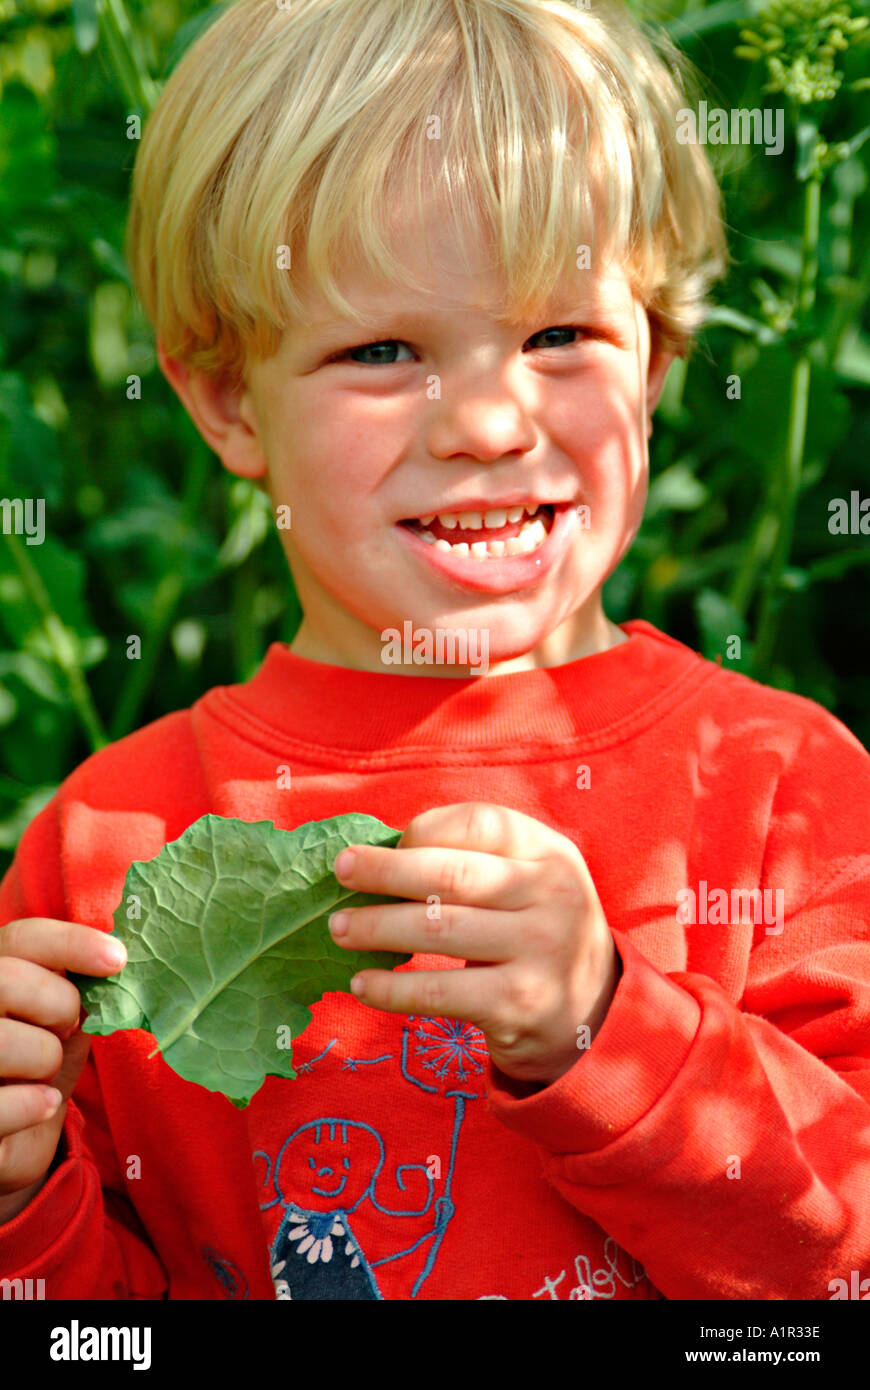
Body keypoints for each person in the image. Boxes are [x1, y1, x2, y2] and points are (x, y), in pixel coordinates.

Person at [0, 0, 868, 1301]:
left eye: (558, 335)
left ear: (657, 358)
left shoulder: (777, 782)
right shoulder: (103, 842)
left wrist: (607, 1029)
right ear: (229, 397)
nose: (482, 419)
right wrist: (22, 1204)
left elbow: (838, 1243)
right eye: (383, 349)